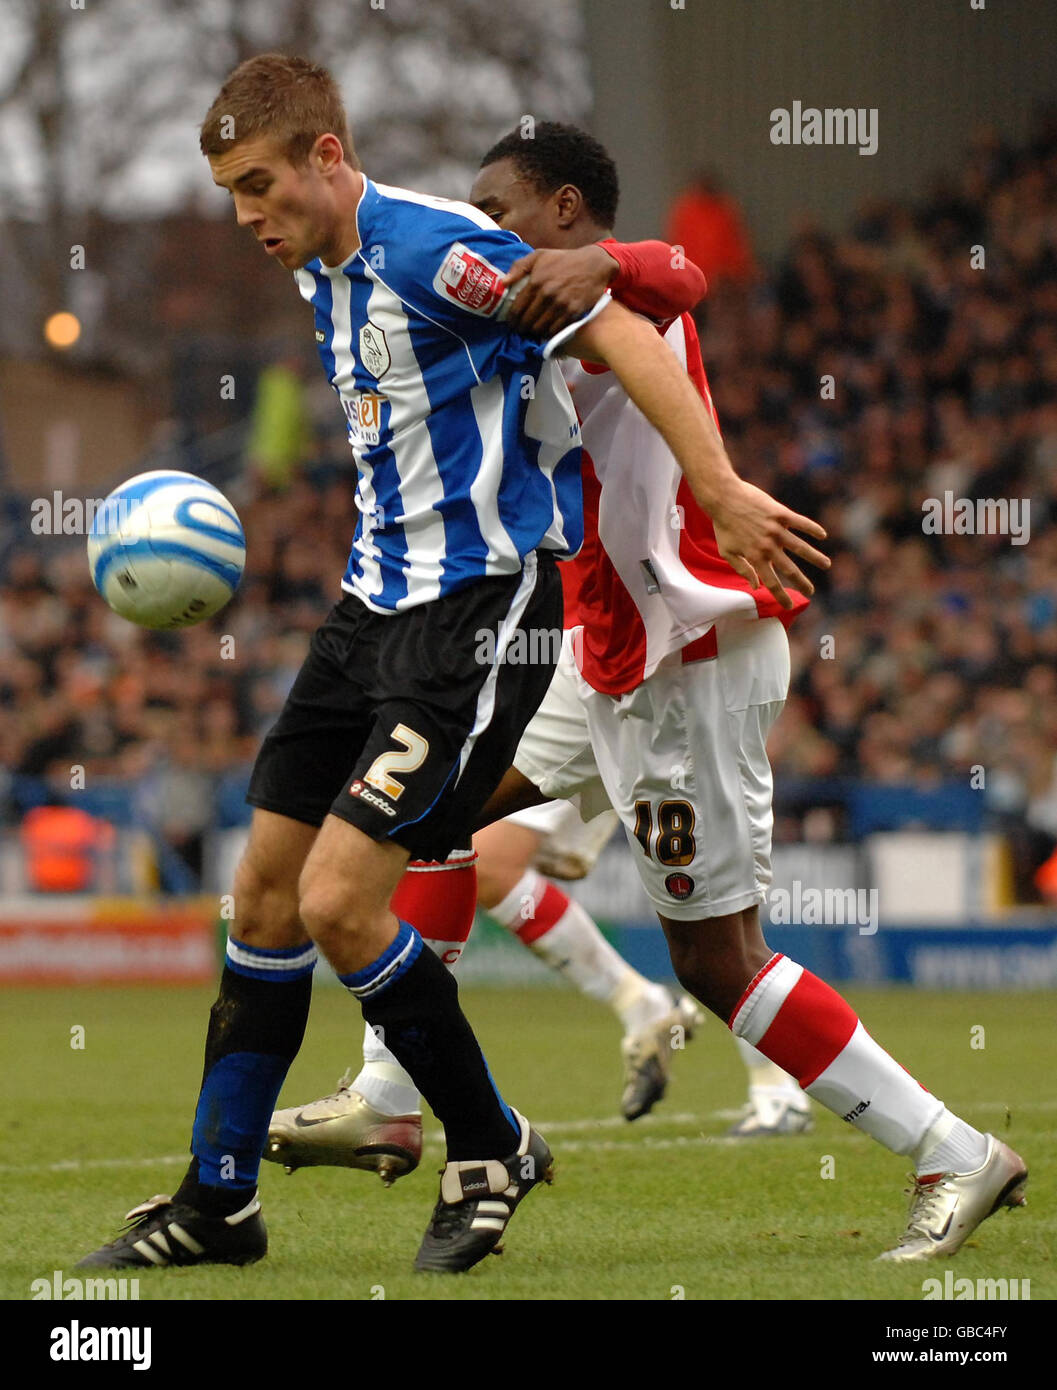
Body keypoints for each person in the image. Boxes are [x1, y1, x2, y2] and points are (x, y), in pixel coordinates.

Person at [77, 60, 825, 1277]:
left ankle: (489, 1143)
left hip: (478, 614)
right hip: (370, 609)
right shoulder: (319, 267)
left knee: (335, 901)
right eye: (226, 193)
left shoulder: (438, 251)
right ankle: (219, 1201)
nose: (245, 215)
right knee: (261, 896)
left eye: (258, 184)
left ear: (328, 154)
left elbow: (624, 327)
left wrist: (720, 486)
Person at [278, 121, 1024, 1263]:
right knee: (425, 810)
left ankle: (952, 1150)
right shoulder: (503, 310)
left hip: (687, 660)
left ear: (569, 211)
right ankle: (388, 1091)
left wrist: (619, 270)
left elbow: (680, 272)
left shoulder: (613, 297)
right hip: (595, 647)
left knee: (715, 960)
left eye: (506, 210)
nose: (485, 232)